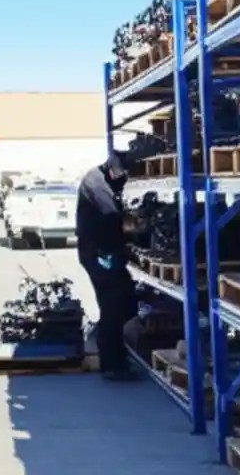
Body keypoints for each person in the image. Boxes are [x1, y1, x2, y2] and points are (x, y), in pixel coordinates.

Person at [76, 151, 137, 381]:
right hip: (99, 254)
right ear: (112, 168)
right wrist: (134, 225)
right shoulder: (95, 182)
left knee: (125, 301)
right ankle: (112, 365)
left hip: (107, 251)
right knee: (112, 305)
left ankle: (119, 358)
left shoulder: (105, 179)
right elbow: (111, 214)